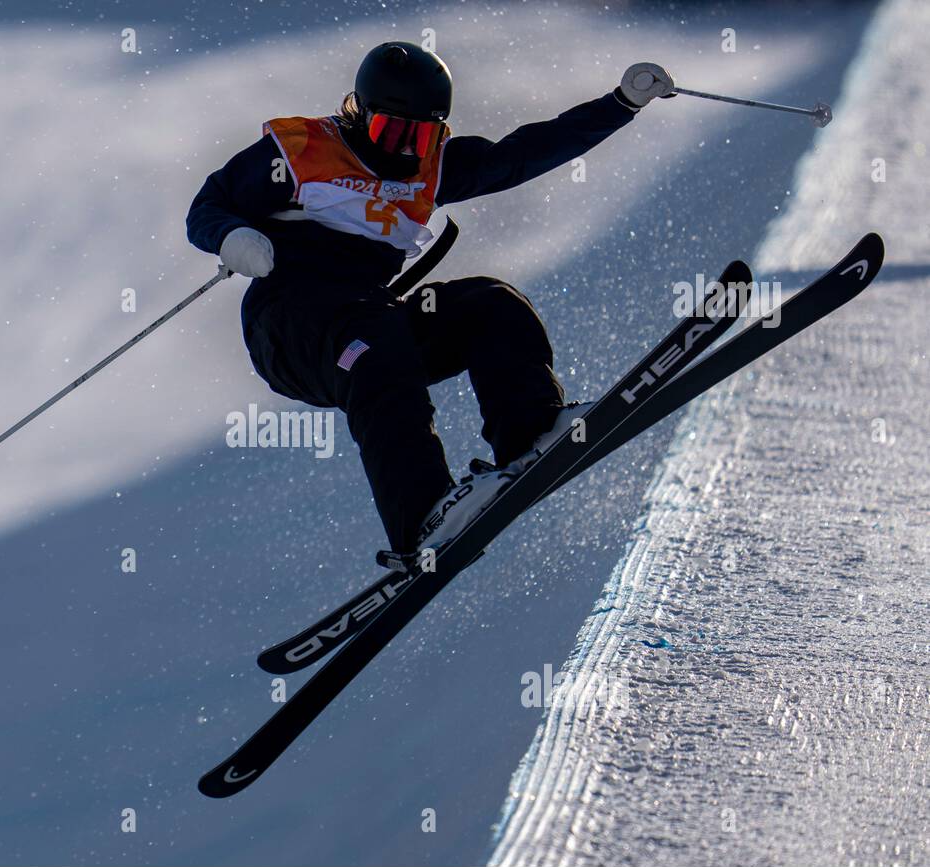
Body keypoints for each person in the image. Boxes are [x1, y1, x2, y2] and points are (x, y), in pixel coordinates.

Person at [186, 41, 673, 560]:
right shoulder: (300, 150)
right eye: (390, 132)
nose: (404, 150)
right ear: (360, 113)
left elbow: (525, 153)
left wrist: (620, 104)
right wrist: (231, 236)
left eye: (420, 136)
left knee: (490, 303)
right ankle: (423, 517)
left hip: (372, 323)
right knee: (374, 344)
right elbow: (208, 206)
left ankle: (530, 430)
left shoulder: (433, 167)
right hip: (292, 331)